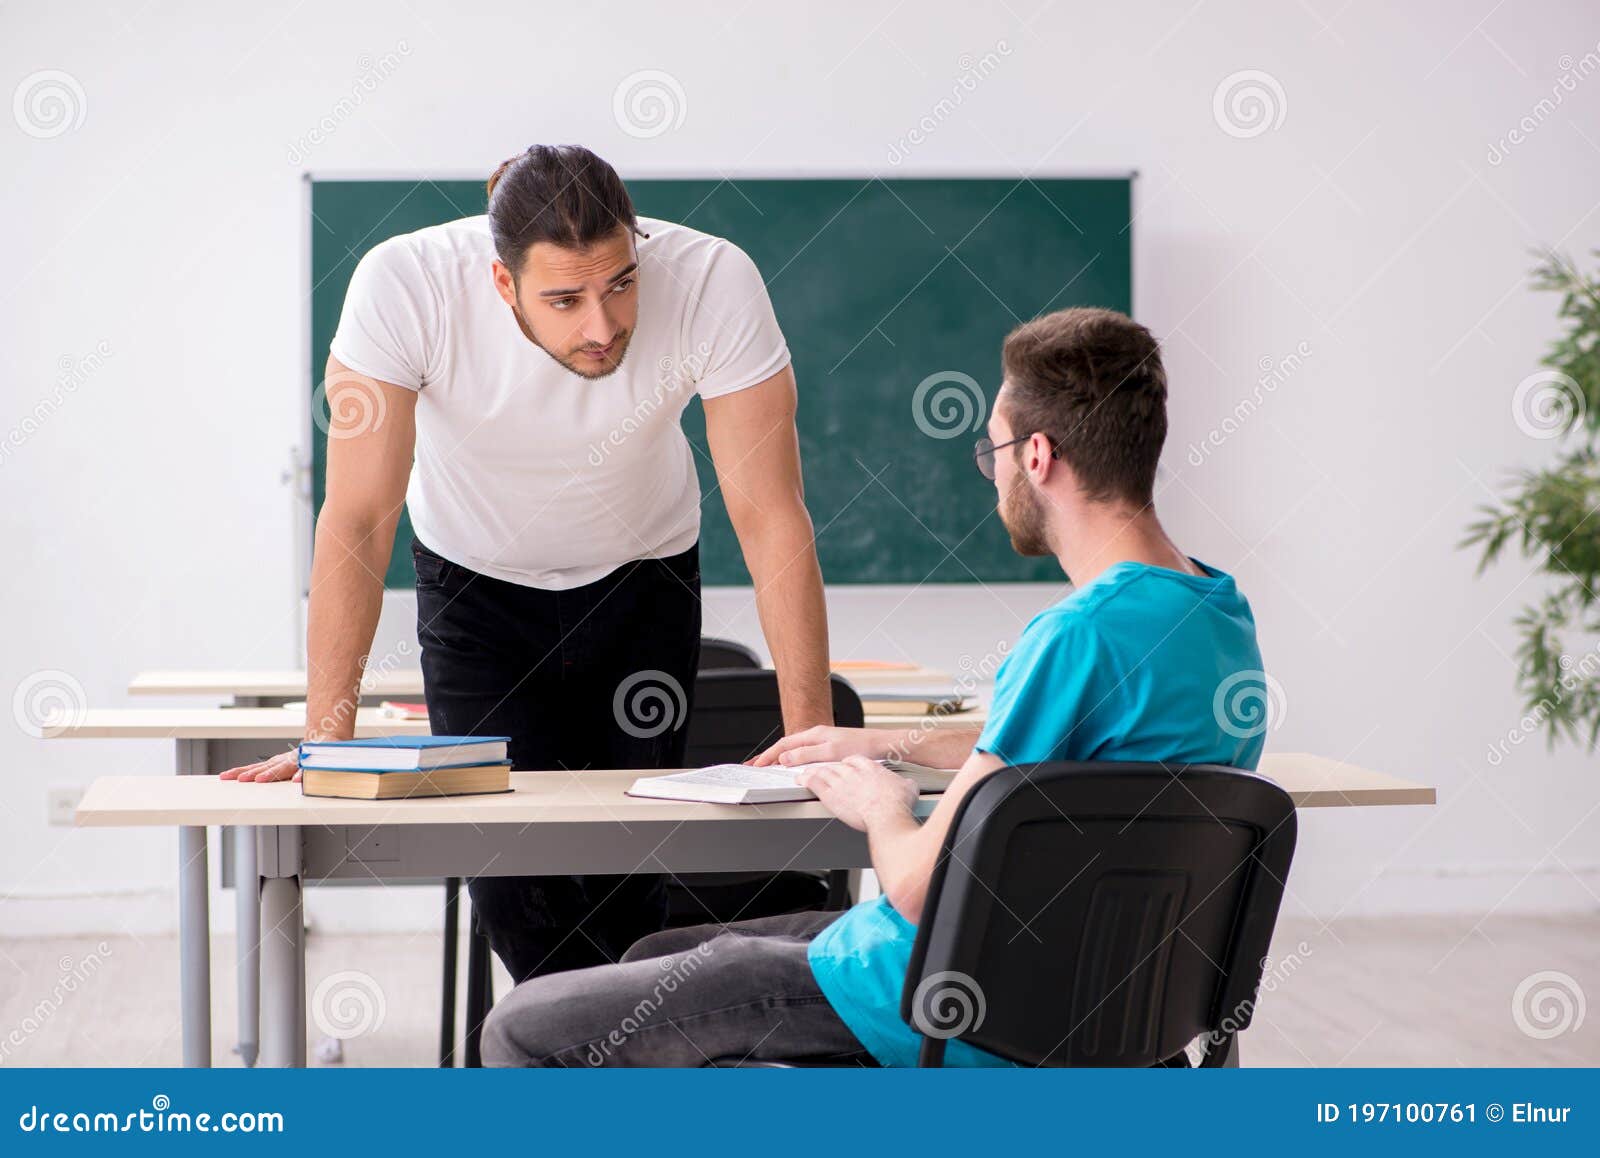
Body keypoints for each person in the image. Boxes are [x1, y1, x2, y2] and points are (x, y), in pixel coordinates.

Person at [481, 305, 1270, 1066]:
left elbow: (921, 888)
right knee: (658, 955)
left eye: (990, 454)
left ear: (1037, 457)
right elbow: (1070, 767)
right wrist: (886, 743)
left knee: (522, 1026)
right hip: (1100, 1009)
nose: (992, 481)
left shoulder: (1078, 635)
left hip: (937, 1006)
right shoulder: (1216, 616)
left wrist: (881, 808)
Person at [221, 145, 834, 985]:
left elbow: (771, 516)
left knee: (629, 886)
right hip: (474, 593)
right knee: (513, 885)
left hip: (642, 584)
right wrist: (327, 737)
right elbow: (359, 520)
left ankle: (587, 1071)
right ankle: (584, 1065)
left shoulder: (712, 278)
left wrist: (812, 736)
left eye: (620, 282)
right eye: (564, 298)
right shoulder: (405, 284)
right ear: (502, 283)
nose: (603, 325)